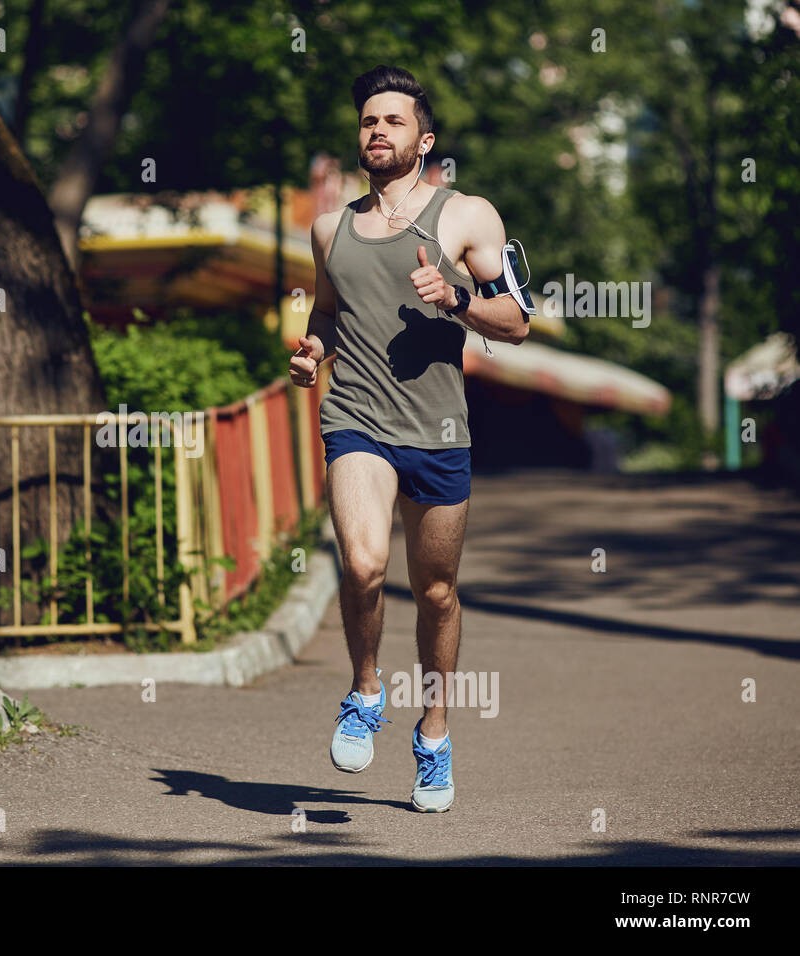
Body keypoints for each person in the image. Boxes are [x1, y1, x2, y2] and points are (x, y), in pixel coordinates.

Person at [289, 65, 529, 812]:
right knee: (362, 567)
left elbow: (517, 323)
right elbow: (328, 315)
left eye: (392, 121)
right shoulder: (329, 228)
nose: (377, 131)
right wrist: (311, 351)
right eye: (368, 121)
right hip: (355, 417)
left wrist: (456, 299)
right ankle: (365, 689)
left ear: (424, 141)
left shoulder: (466, 217)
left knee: (436, 592)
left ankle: (434, 732)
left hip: (438, 428)